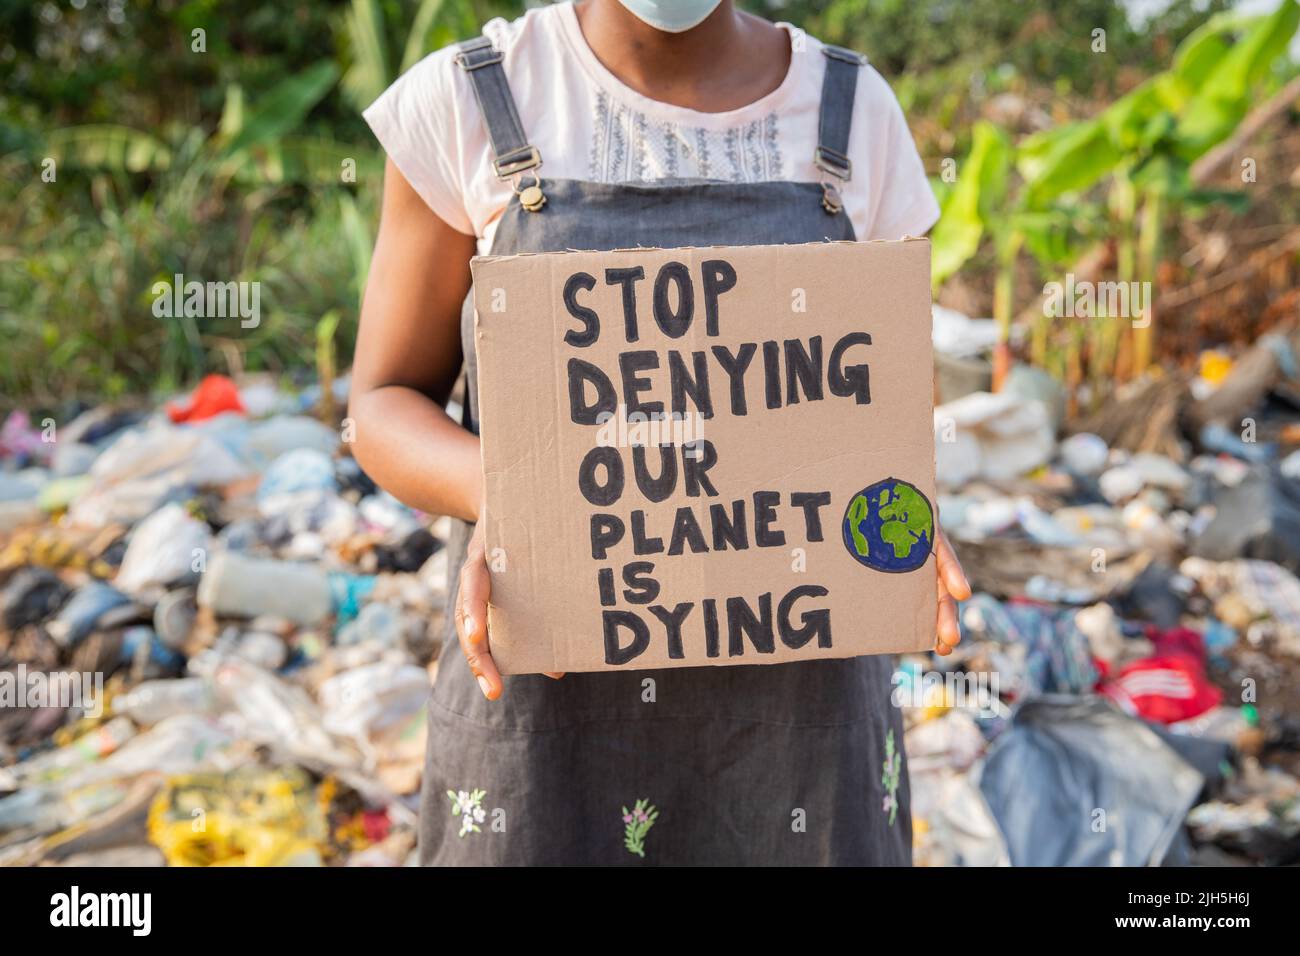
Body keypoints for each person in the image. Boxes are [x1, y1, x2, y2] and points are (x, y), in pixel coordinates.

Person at [351, 0, 971, 865]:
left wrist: (904, 507)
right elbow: (381, 401)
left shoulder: (855, 111)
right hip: (546, 725)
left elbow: (881, 411)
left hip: (800, 737)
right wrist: (507, 495)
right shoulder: (466, 100)